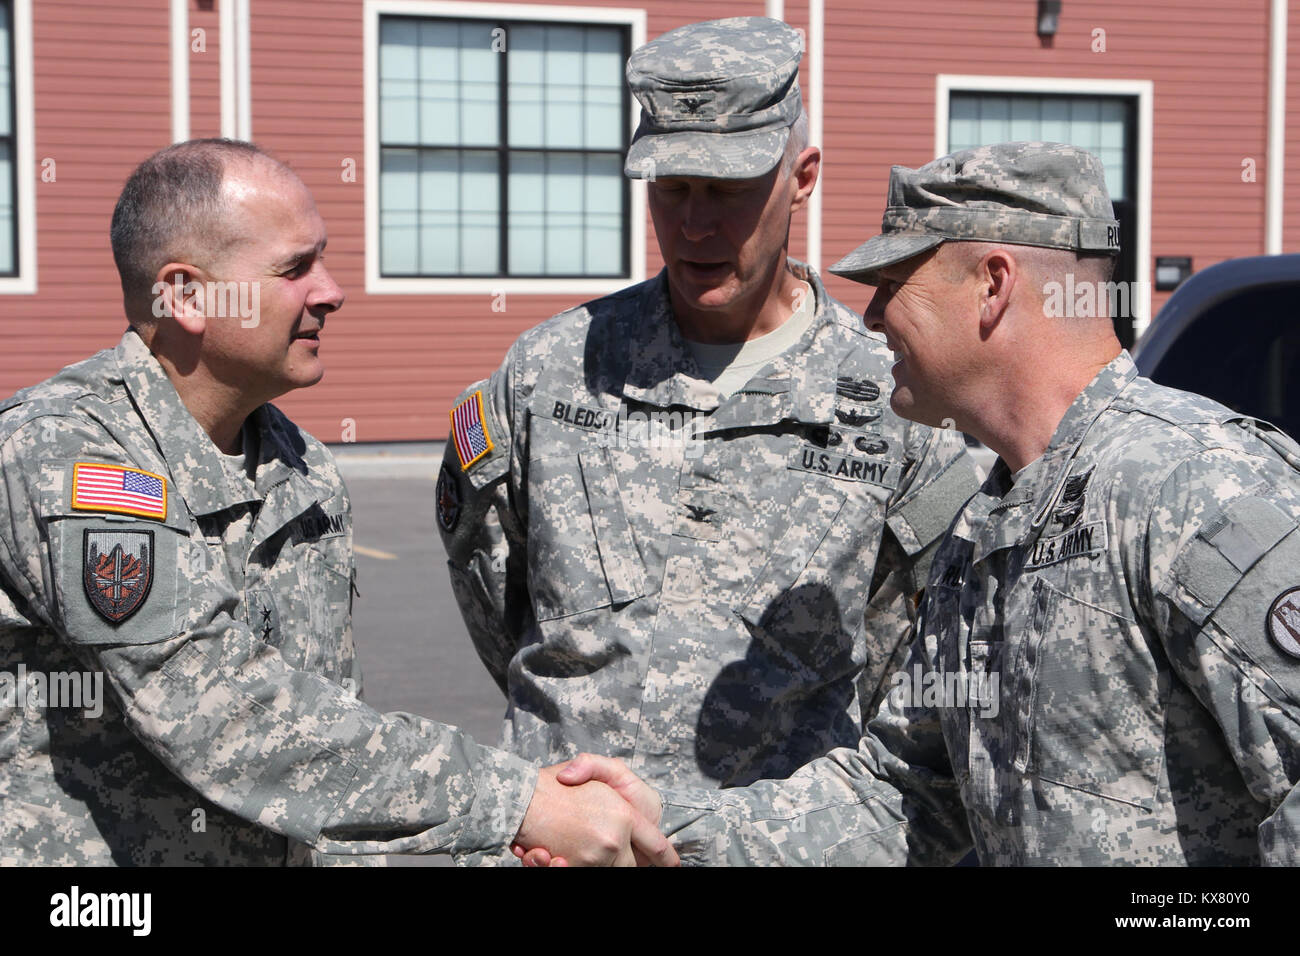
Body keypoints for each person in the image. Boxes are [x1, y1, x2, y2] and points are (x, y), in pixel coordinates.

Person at [541, 141, 1300, 865]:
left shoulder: (1194, 485)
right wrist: (662, 831)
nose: (869, 318)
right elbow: (903, 792)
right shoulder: (984, 531)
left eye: (894, 286)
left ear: (993, 284)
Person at [0, 138, 674, 867]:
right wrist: (521, 804)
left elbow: (324, 756)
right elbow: (219, 714)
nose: (332, 290)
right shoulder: (66, 452)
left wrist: (503, 847)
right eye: (295, 268)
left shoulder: (304, 466)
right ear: (188, 295)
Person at [437, 16, 977, 864]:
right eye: (671, 187)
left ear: (803, 179)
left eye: (726, 190)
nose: (693, 225)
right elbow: (495, 601)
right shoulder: (549, 371)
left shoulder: (890, 400)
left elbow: (906, 675)